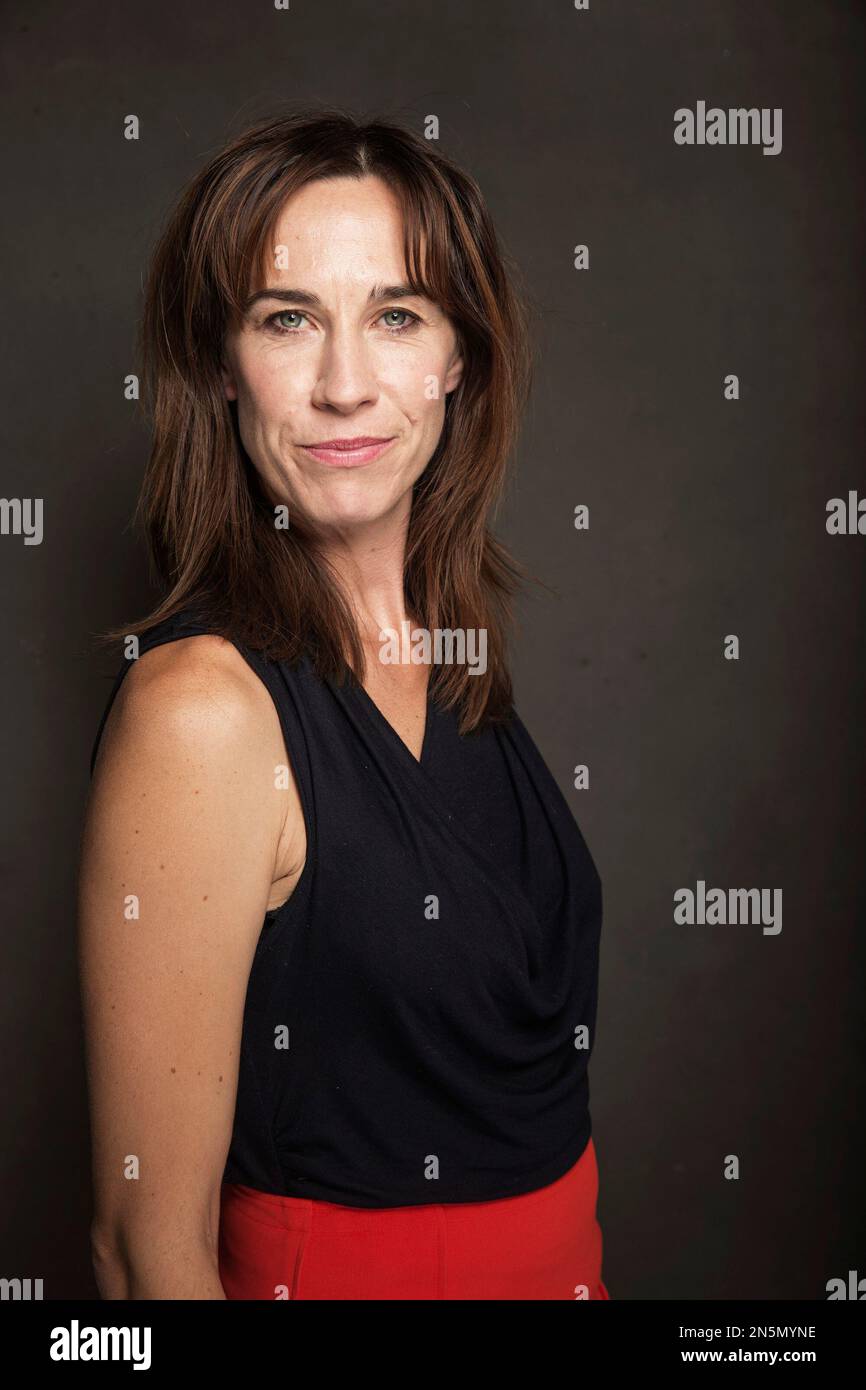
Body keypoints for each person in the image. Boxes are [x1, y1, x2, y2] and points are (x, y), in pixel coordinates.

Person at [77, 106, 609, 1301]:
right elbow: (138, 1251)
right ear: (220, 364)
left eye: (397, 315)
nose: (344, 385)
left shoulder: (452, 652)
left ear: (458, 356)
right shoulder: (201, 713)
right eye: (286, 320)